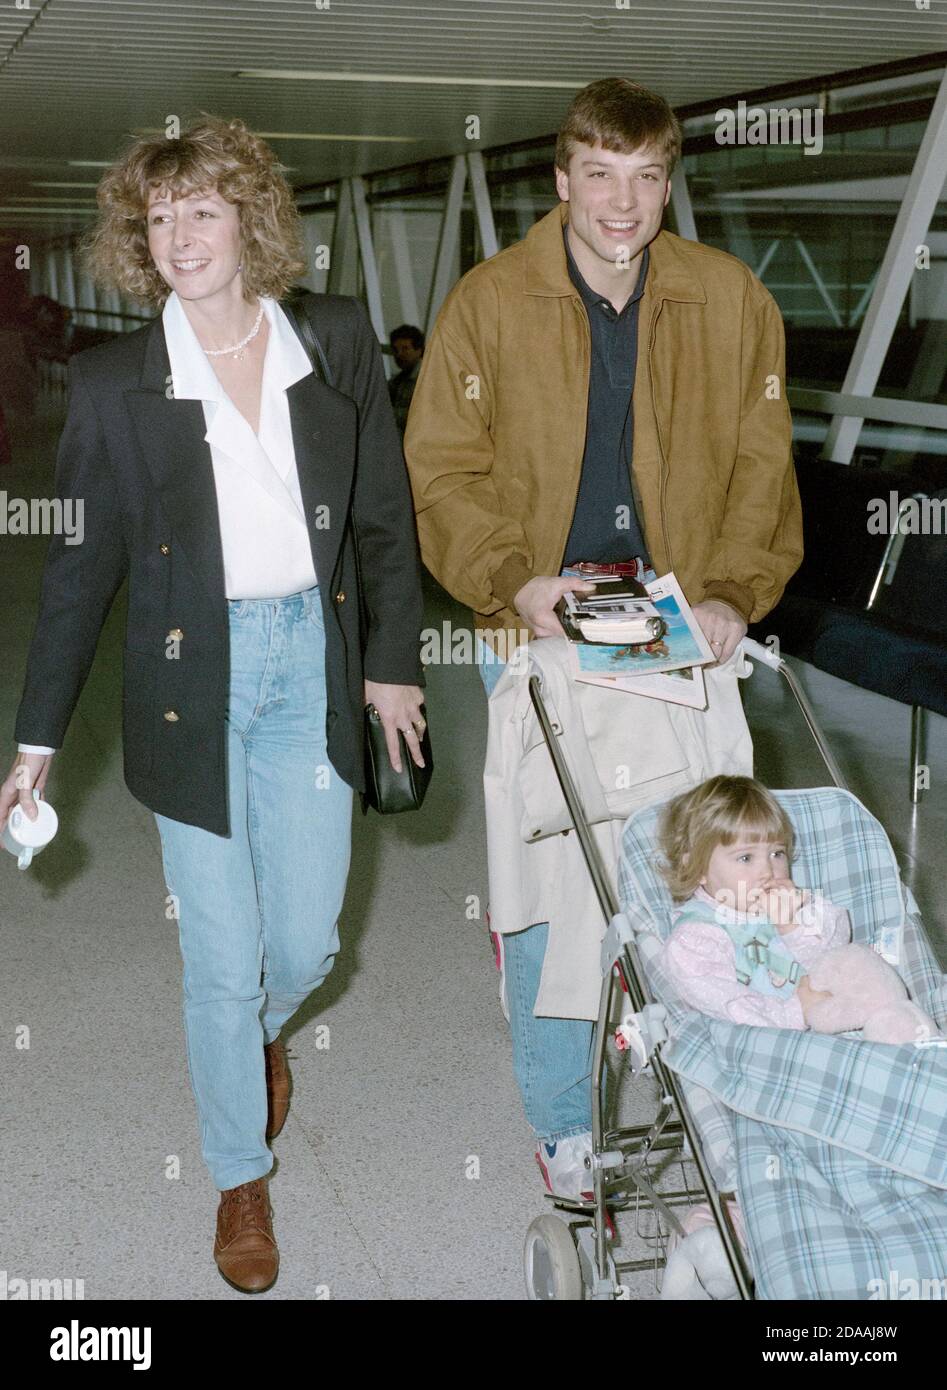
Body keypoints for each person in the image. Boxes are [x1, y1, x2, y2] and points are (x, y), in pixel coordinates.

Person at [0, 115, 426, 1294]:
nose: (178, 236)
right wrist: (35, 741)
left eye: (200, 210)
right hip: (191, 678)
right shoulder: (113, 385)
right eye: (157, 219)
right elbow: (80, 573)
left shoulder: (333, 342)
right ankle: (241, 1173)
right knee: (221, 959)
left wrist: (392, 663)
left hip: (313, 665)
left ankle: (258, 1040)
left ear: (249, 217)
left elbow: (385, 520)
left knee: (305, 941)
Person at [403, 76, 803, 1199]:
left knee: (713, 878)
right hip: (541, 623)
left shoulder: (729, 303)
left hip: (676, 625)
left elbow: (762, 468)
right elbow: (439, 469)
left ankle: (723, 1093)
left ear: (667, 179)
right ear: (560, 179)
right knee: (554, 881)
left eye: (644, 178)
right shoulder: (488, 304)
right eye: (598, 176)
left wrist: (729, 591)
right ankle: (561, 1120)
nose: (622, 204)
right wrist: (510, 582)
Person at [657, 775, 845, 1029]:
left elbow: (839, 963)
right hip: (760, 1055)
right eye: (746, 858)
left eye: (777, 854)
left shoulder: (796, 906)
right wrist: (797, 1012)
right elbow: (729, 1006)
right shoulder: (696, 938)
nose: (768, 871)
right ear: (697, 867)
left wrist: (791, 927)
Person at [387, 323, 425, 435]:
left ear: (419, 350)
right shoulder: (397, 381)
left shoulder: (427, 378)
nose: (399, 355)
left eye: (405, 349)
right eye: (395, 350)